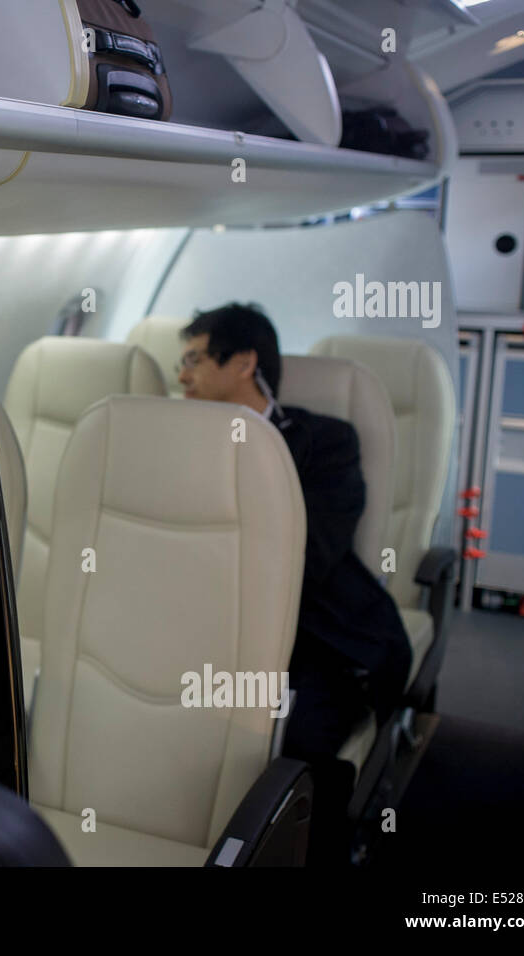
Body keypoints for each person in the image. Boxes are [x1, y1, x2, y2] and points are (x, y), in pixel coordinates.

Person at [177, 302, 412, 864]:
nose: (181, 375)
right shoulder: (175, 446)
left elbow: (310, 560)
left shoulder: (325, 442)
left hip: (314, 633)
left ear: (243, 363)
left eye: (194, 358)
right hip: (198, 628)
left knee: (301, 742)